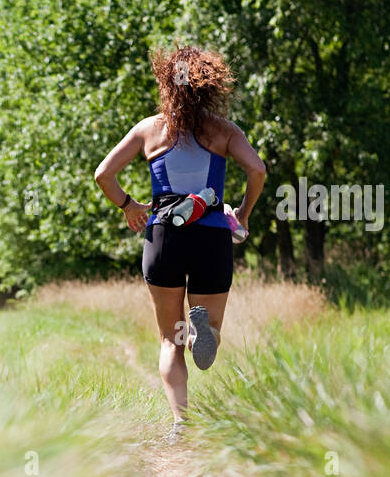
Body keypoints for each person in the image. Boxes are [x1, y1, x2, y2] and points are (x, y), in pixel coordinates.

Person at [93, 46, 266, 438]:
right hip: (211, 236)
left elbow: (104, 173)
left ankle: (180, 424)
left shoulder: (149, 129)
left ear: (166, 83)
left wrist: (128, 205)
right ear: (211, 86)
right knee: (212, 332)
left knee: (168, 341)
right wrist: (242, 212)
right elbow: (257, 170)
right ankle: (201, 332)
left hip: (163, 236)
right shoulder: (224, 131)